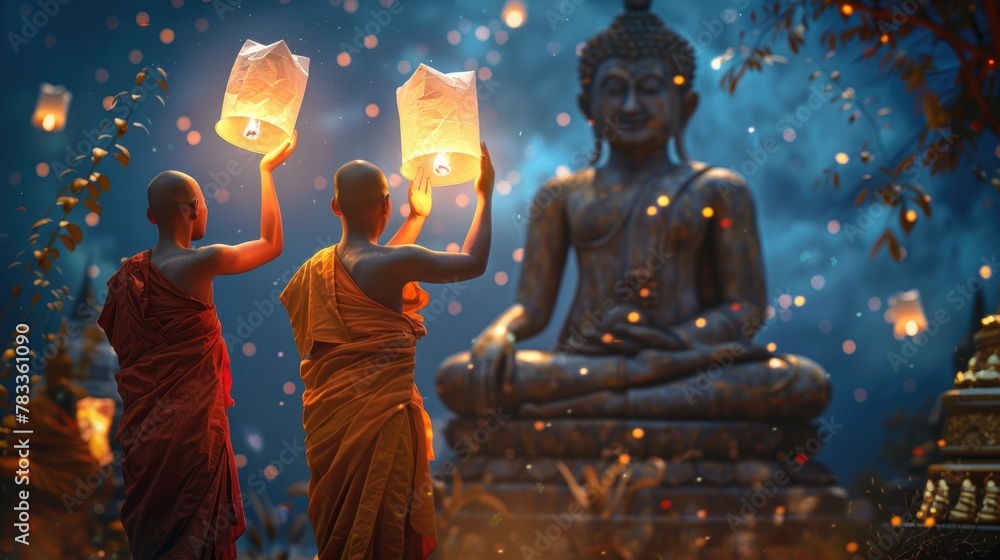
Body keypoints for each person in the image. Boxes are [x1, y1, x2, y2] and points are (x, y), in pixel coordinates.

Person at [279, 142, 494, 559]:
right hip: (384, 424)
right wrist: (485, 193)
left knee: (346, 533)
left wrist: (417, 218)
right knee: (384, 532)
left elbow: (376, 267)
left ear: (335, 206)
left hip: (334, 429)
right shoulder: (391, 264)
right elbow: (473, 261)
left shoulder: (313, 269)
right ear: (386, 204)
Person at [97, 132, 297, 559]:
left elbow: (132, 356)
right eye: (203, 201)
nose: (205, 208)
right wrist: (266, 171)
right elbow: (271, 244)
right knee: (197, 533)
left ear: (152, 217)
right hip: (192, 435)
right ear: (190, 210)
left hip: (148, 437)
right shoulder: (203, 261)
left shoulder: (127, 277)